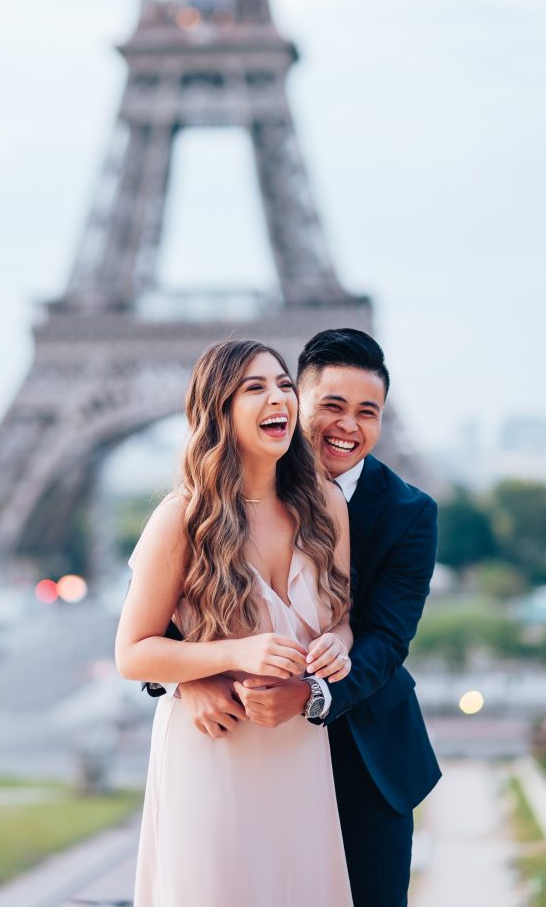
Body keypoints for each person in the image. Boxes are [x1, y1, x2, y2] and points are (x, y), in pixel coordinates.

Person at [168, 329, 441, 907]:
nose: (349, 426)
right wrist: (190, 677)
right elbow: (167, 614)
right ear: (294, 404)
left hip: (363, 759)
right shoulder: (215, 499)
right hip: (251, 748)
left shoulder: (411, 512)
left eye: (368, 412)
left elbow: (386, 639)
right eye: (332, 406)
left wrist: (312, 695)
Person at [116, 339, 355, 906]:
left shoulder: (326, 505)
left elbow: (342, 621)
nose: (278, 398)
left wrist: (337, 651)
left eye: (283, 385)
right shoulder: (181, 518)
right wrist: (234, 654)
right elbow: (132, 652)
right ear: (218, 410)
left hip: (298, 753)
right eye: (255, 388)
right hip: (212, 753)